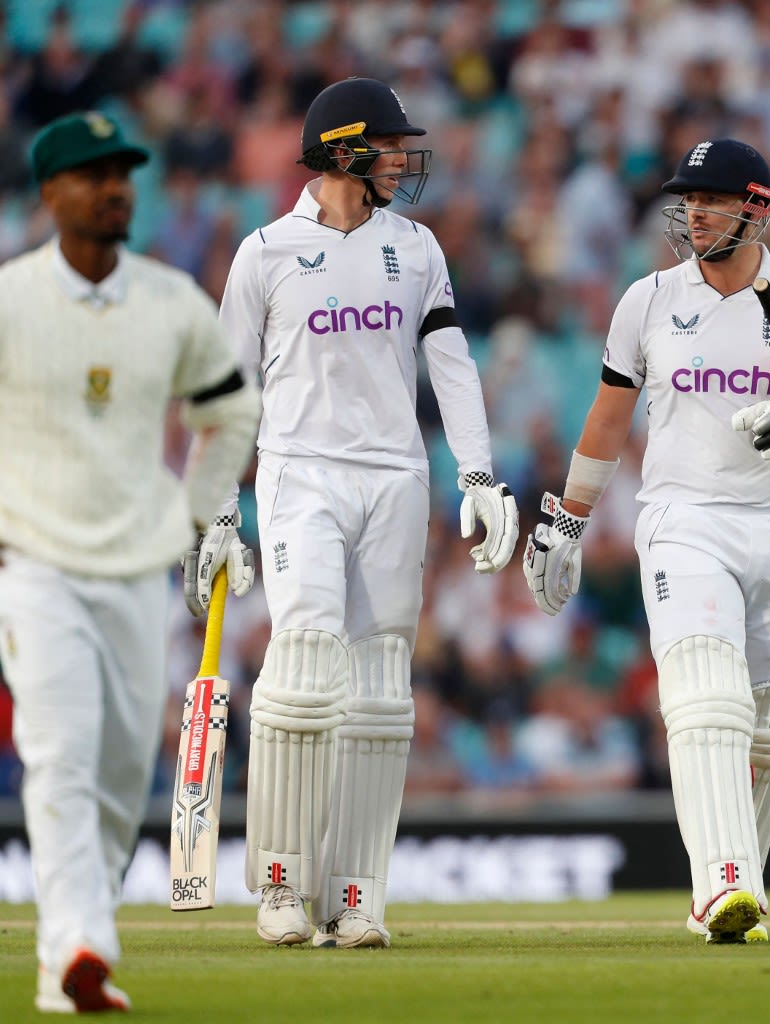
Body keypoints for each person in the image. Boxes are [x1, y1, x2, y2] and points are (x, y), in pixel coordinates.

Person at [521, 138, 770, 942]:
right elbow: (610, 416)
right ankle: (723, 882)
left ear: (757, 209)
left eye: (712, 201)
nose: (695, 214)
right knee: (706, 694)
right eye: (688, 201)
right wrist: (568, 519)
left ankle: (725, 887)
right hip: (684, 519)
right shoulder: (647, 299)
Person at [218, 77, 518, 950]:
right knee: (306, 664)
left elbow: (451, 363)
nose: (401, 161)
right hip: (299, 473)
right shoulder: (264, 252)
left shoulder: (416, 247)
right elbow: (226, 393)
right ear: (343, 151)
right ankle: (279, 879)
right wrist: (213, 512)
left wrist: (480, 475)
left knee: (381, 690)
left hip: (395, 476)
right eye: (387, 147)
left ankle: (357, 895)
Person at [0, 111, 259, 1012]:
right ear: (50, 193)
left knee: (117, 774)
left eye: (124, 173)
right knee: (61, 754)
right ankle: (78, 946)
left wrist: (196, 518)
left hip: (137, 575)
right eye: (94, 174)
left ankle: (70, 954)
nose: (116, 188)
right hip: (34, 566)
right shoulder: (11, 301)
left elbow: (232, 410)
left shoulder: (169, 300)